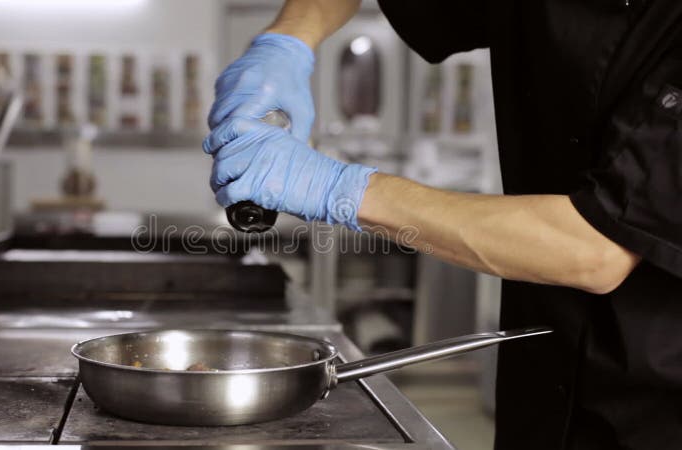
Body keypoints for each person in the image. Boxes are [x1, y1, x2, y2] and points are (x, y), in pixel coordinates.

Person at [203, 1, 682, 449]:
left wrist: (336, 187)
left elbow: (595, 248)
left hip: (653, 410)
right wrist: (288, 39)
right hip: (538, 378)